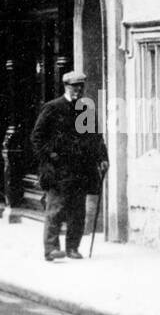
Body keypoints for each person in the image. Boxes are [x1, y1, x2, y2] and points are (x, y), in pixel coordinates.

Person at [31, 71, 109, 261]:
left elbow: (96, 138)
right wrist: (51, 155)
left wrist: (103, 158)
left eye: (81, 87)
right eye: (75, 87)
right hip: (58, 169)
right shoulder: (52, 108)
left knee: (77, 210)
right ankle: (50, 249)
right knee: (56, 209)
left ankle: (73, 247)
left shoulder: (86, 109)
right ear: (66, 86)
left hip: (81, 168)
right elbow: (37, 137)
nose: (78, 90)